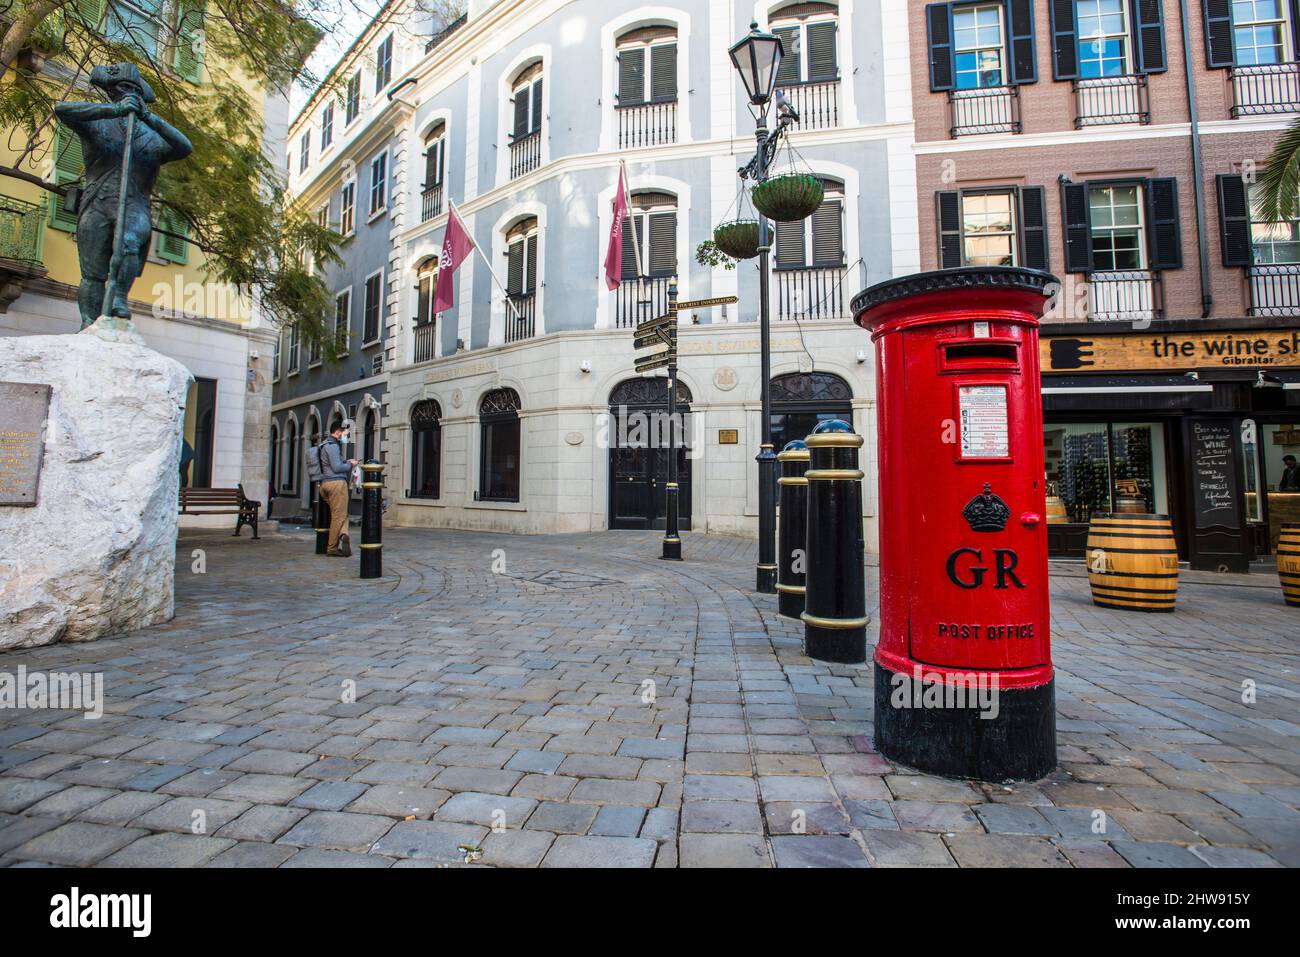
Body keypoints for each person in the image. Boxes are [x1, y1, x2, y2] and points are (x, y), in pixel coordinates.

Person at [53, 63, 193, 328]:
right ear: (111, 92)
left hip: (134, 205)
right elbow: (62, 110)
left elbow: (185, 146)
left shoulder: (154, 137)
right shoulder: (98, 124)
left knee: (129, 244)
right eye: (121, 89)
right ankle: (88, 323)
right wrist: (114, 111)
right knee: (92, 274)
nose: (127, 94)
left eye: (133, 90)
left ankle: (118, 295)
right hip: (97, 202)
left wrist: (150, 118)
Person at [319, 422, 357, 556]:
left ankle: (344, 534)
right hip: (336, 484)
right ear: (338, 431)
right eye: (345, 432)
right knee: (338, 516)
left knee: (341, 513)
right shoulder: (333, 446)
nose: (346, 435)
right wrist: (350, 465)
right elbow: (337, 468)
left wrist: (346, 462)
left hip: (325, 484)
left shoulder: (324, 444)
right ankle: (332, 548)